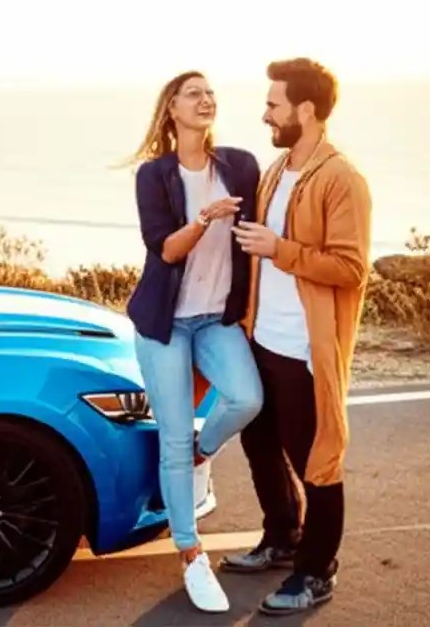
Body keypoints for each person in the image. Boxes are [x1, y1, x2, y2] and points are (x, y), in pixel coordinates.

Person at [224, 57, 372, 616]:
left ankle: (317, 571)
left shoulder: (342, 179)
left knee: (316, 461)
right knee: (259, 444)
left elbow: (351, 269)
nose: (265, 114)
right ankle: (282, 537)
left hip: (305, 350)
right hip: (261, 337)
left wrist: (278, 250)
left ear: (305, 110)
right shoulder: (277, 168)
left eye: (273, 104)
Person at [124, 70, 265, 613]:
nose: (206, 99)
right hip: (165, 322)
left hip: (215, 319)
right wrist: (207, 217)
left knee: (247, 398)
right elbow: (166, 250)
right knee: (173, 438)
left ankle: (206, 453)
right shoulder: (153, 176)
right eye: (193, 93)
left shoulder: (240, 165)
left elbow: (258, 230)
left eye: (210, 93)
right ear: (172, 110)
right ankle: (190, 553)